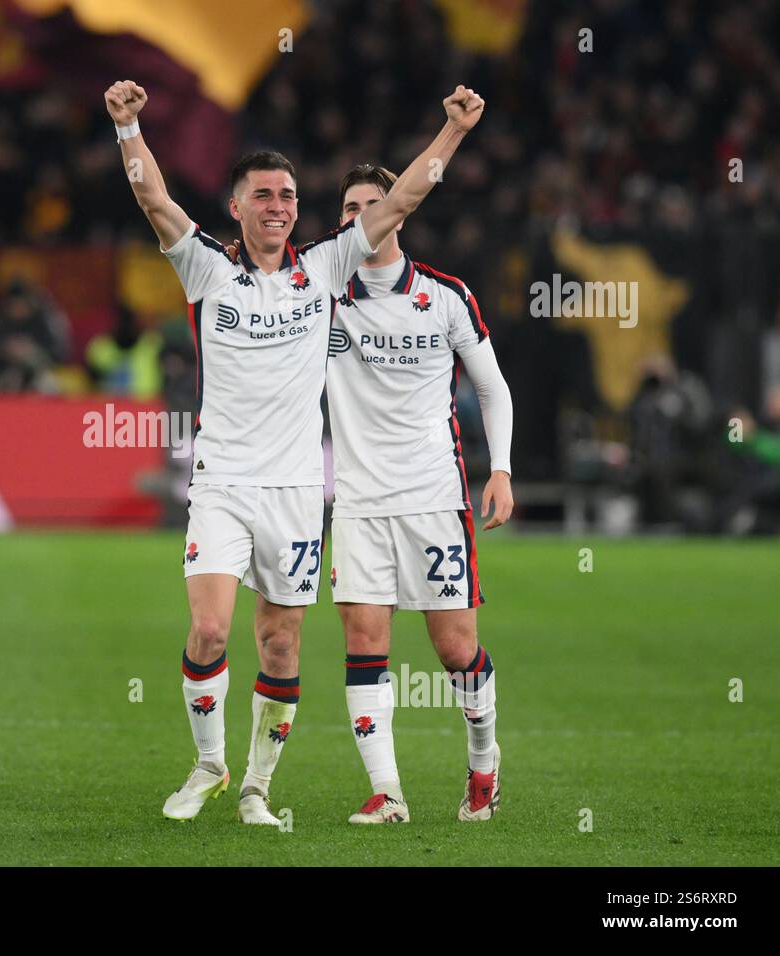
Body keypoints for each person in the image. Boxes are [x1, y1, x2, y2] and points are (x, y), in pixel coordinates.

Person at [105, 78, 485, 825]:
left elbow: (401, 200)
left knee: (280, 645)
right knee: (210, 628)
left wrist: (453, 134)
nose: (277, 206)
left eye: (287, 196)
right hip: (221, 483)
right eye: (263, 195)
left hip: (298, 491)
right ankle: (209, 764)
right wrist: (127, 128)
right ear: (236, 207)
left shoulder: (325, 268)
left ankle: (256, 788)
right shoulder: (207, 267)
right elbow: (154, 200)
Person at [324, 164, 513, 824]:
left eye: (374, 203)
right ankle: (387, 793)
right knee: (364, 642)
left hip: (435, 500)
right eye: (350, 205)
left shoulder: (446, 295)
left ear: (399, 212)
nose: (362, 214)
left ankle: (484, 768)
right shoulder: (323, 295)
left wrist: (502, 470)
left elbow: (492, 387)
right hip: (357, 503)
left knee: (456, 650)